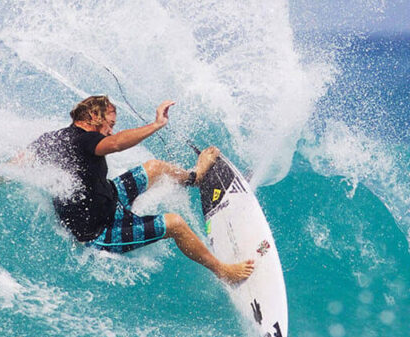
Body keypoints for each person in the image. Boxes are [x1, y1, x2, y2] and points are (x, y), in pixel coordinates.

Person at [22, 95, 254, 283]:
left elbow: (17, 164)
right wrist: (156, 125)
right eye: (110, 124)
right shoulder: (86, 140)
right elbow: (115, 143)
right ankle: (221, 270)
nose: (111, 131)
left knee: (154, 167)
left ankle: (195, 177)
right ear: (93, 116)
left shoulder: (51, 140)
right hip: (99, 232)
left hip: (108, 198)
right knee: (175, 224)